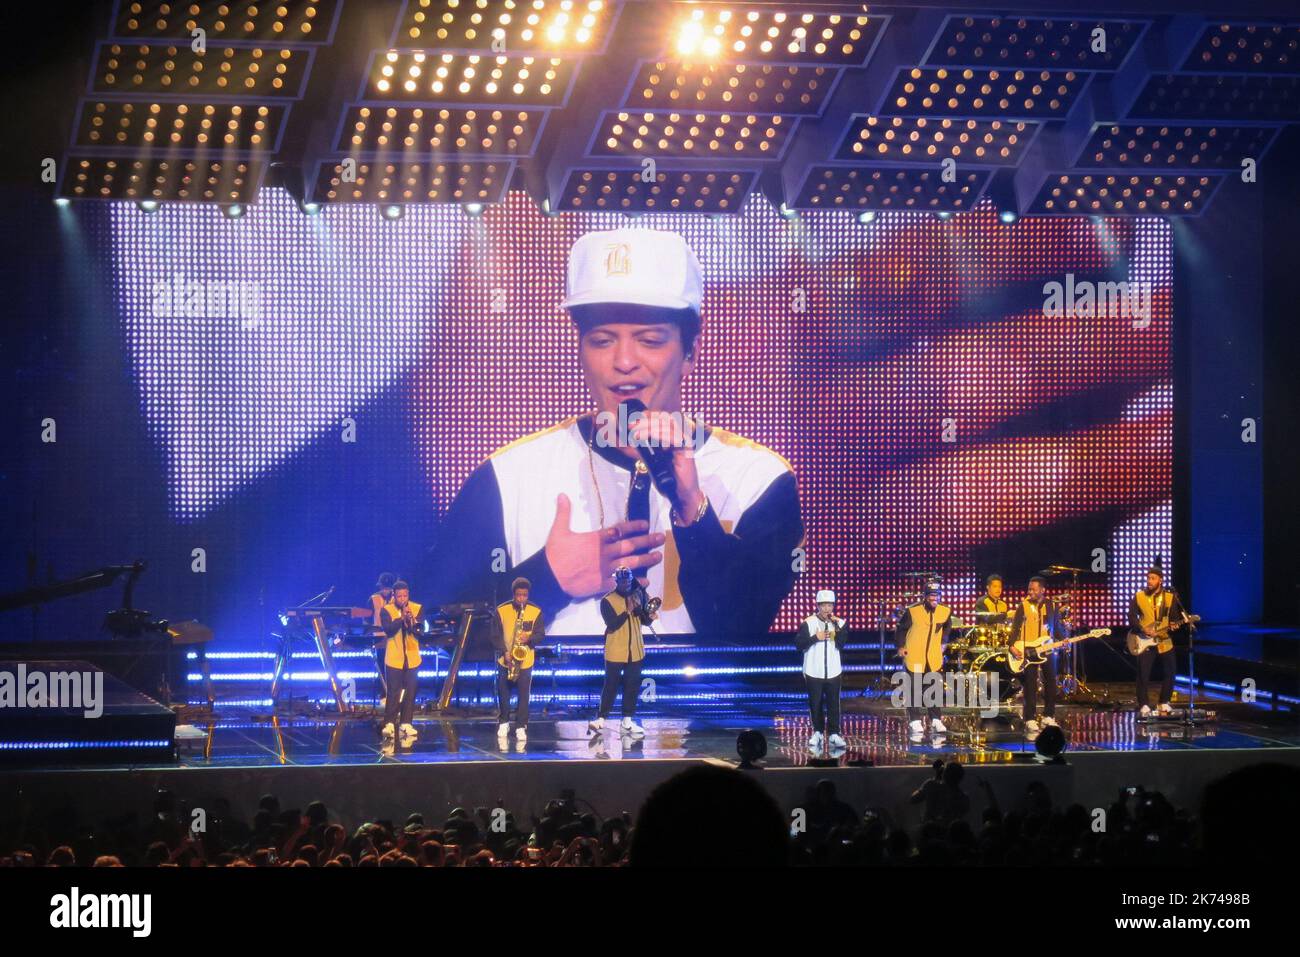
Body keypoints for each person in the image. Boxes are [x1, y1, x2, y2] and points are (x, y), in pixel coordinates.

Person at [425, 228, 803, 637]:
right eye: (603, 341)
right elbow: (430, 631)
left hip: (698, 701)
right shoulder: (510, 476)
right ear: (580, 348)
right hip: (550, 701)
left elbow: (742, 631)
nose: (624, 361)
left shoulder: (756, 478)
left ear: (690, 350)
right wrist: (546, 580)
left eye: (649, 341)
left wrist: (693, 509)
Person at [590, 565, 656, 737]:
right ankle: (602, 718)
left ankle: (627, 721)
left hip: (635, 650)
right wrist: (627, 610)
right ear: (617, 581)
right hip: (615, 650)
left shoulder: (637, 596)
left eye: (628, 580)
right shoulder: (607, 600)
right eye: (622, 580)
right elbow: (612, 624)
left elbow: (645, 622)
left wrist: (647, 613)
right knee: (610, 685)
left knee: (632, 685)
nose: (626, 583)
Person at [1127, 562, 1186, 718]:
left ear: (1160, 580)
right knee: (1143, 675)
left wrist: (1174, 625)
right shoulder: (1139, 596)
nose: (1149, 581)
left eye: (1152, 578)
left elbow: (1174, 618)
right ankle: (1144, 704)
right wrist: (1142, 629)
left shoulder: (1169, 597)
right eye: (1148, 578)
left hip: (1164, 640)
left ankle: (1164, 701)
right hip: (1144, 640)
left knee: (1170, 672)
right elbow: (1132, 616)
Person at [894, 582, 952, 740]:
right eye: (931, 595)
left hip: (933, 656)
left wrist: (944, 642)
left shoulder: (944, 611)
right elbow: (901, 629)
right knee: (914, 688)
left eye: (937, 595)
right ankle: (914, 720)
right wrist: (900, 646)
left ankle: (936, 719)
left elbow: (947, 626)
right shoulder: (913, 611)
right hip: (915, 654)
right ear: (925, 596)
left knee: (934, 689)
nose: (934, 598)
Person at [795, 589, 846, 752]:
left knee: (833, 703)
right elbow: (799, 645)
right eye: (824, 605)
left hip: (833, 670)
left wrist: (837, 629)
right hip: (813, 670)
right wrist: (814, 638)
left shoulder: (840, 623)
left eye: (830, 605)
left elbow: (842, 643)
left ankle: (834, 733)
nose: (827, 609)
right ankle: (817, 731)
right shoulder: (808, 623)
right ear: (818, 606)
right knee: (815, 703)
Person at [493, 576, 544, 743]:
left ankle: (521, 725)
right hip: (505, 659)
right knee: (504, 692)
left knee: (524, 694)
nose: (521, 598)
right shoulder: (501, 610)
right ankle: (504, 721)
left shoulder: (535, 611)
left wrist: (528, 639)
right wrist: (504, 652)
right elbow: (495, 635)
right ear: (513, 594)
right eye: (518, 595)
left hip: (525, 660)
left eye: (525, 595)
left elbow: (540, 634)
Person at [1008, 575, 1060, 735]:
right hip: (1028, 650)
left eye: (1033, 589)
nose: (1030, 592)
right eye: (1029, 589)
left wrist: (1063, 639)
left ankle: (1048, 716)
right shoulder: (1022, 606)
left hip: (1046, 648)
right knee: (1030, 684)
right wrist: (1011, 646)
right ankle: (1029, 718)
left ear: (1042, 590)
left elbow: (1055, 626)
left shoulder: (1051, 605)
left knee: (1051, 681)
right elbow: (1015, 628)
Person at [379, 580, 422, 741]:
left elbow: (420, 631)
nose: (402, 599)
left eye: (405, 595)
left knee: (410, 691)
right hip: (394, 657)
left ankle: (406, 723)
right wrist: (400, 618)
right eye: (399, 596)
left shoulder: (417, 608)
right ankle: (389, 723)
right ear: (394, 596)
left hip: (412, 657)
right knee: (393, 692)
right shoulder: (386, 610)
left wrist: (410, 620)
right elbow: (389, 631)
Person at [370, 573, 397, 705]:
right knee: (381, 667)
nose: (385, 590)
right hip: (379, 638)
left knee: (395, 667)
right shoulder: (373, 599)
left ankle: (396, 695)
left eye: (388, 588)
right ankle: (383, 695)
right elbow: (366, 619)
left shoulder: (398, 598)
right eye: (384, 587)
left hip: (395, 638)